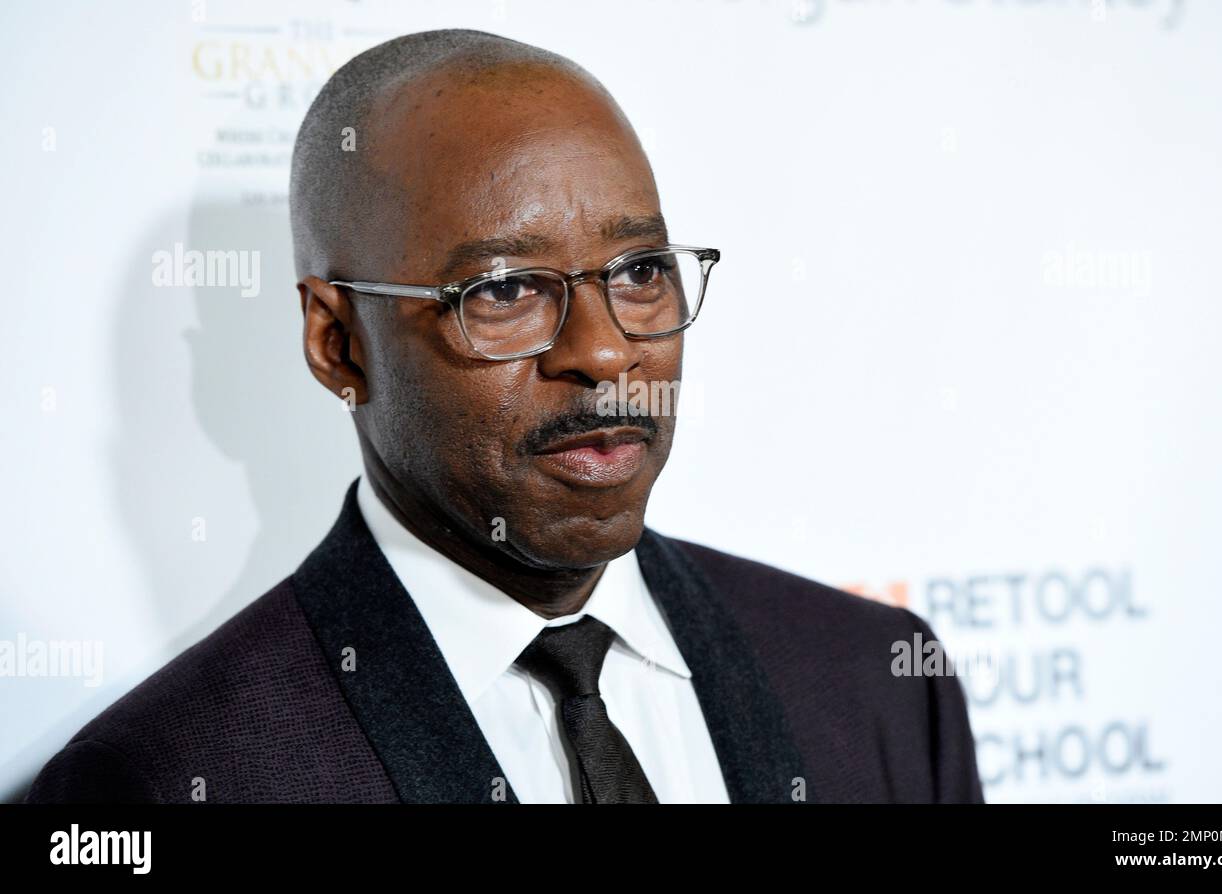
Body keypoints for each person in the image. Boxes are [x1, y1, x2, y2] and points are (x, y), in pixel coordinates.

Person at [26, 28, 983, 804]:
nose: (605, 352)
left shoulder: (878, 687)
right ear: (337, 344)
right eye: (506, 289)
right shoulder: (164, 782)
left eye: (641, 272)